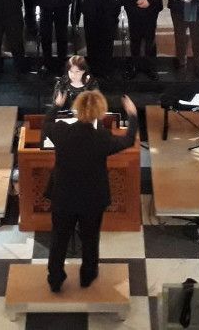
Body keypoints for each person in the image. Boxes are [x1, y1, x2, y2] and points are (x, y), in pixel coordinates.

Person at [42, 90, 138, 292]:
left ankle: (55, 279)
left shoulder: (61, 131)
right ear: (100, 113)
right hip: (92, 200)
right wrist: (133, 115)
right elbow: (129, 140)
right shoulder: (102, 138)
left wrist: (57, 105)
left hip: (64, 197)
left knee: (59, 239)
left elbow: (47, 123)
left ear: (77, 109)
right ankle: (87, 276)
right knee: (90, 239)